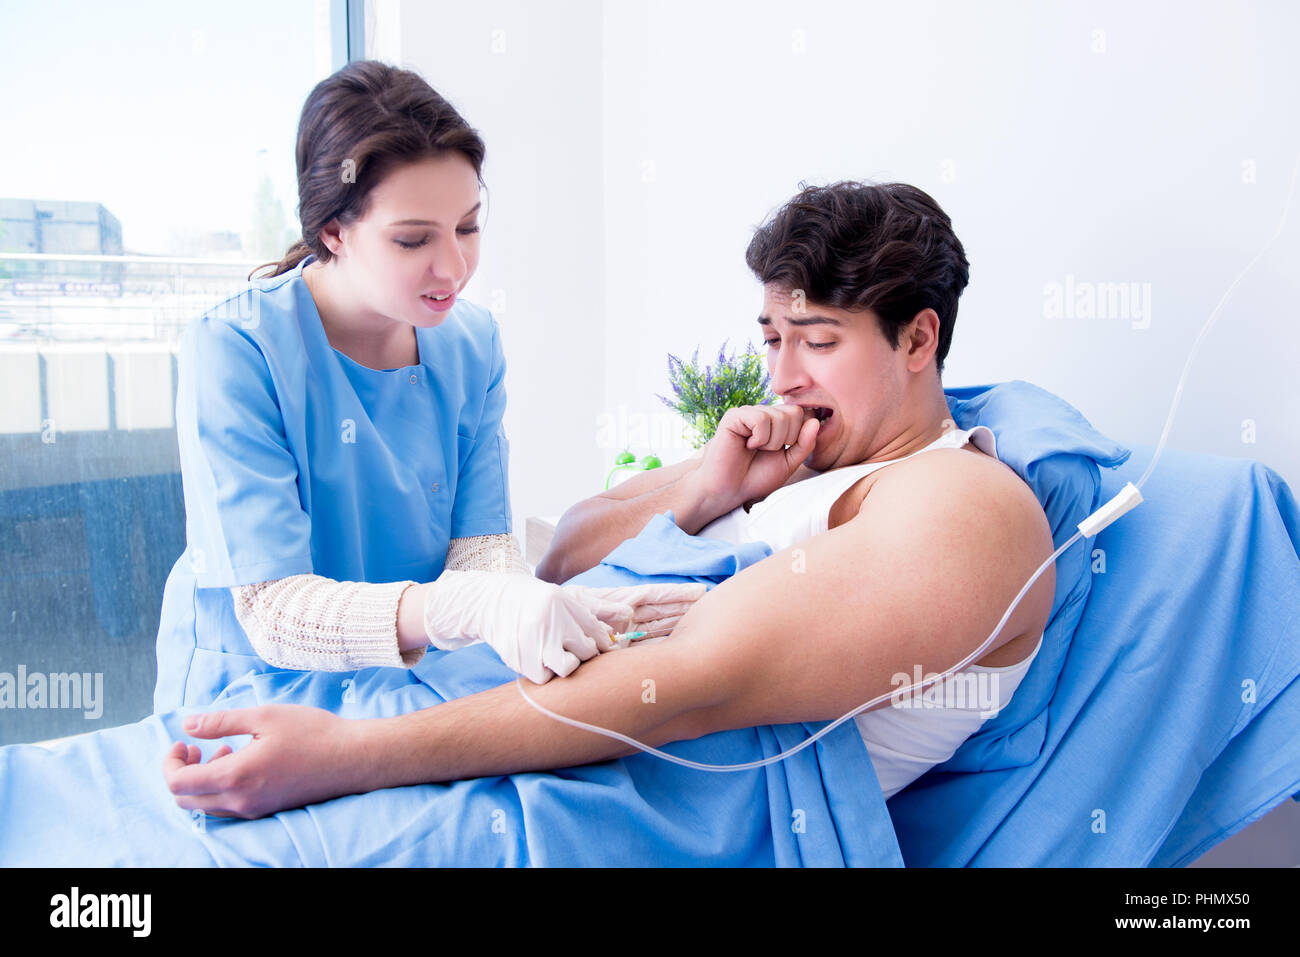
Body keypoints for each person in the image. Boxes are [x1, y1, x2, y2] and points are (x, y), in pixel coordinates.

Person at [164, 181, 1058, 819]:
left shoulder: (959, 503)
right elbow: (561, 557)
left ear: (919, 338)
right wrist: (705, 486)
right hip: (512, 709)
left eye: (817, 342)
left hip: (628, 789)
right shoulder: (800, 465)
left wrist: (345, 759)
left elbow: (684, 690)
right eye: (772, 338)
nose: (783, 376)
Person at [153, 59, 704, 712]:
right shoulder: (236, 349)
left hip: (407, 685)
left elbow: (481, 556)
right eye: (413, 240)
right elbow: (276, 610)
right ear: (333, 231)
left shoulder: (469, 346)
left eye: (468, 227)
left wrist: (551, 606)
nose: (454, 266)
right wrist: (462, 606)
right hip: (256, 692)